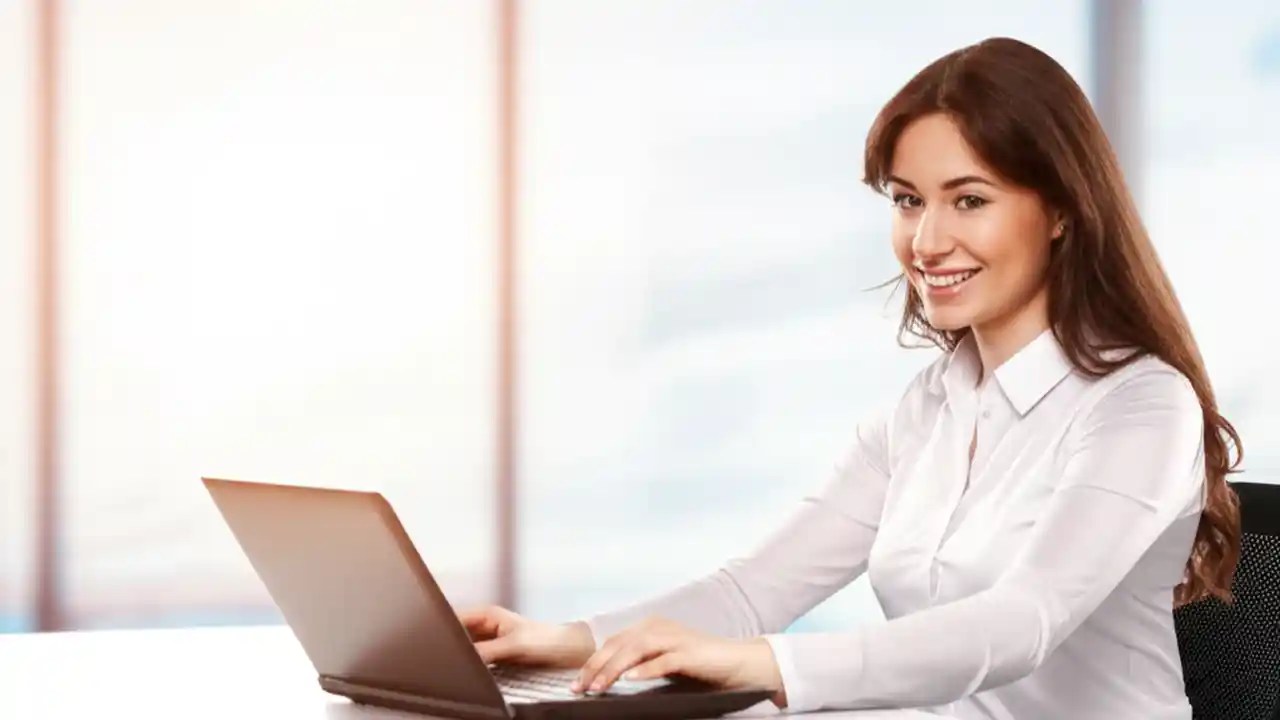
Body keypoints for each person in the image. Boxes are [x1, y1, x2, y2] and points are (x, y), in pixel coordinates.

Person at [458, 36, 1244, 719]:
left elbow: (1021, 623)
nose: (927, 241)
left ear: (1063, 210)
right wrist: (564, 643)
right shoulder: (927, 410)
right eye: (908, 201)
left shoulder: (1141, 406)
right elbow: (749, 593)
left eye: (969, 200)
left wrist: (769, 665)